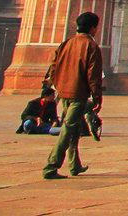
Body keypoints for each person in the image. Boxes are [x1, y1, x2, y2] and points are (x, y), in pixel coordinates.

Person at [42, 10, 103, 180]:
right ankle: (51, 167)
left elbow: (53, 68)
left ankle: (74, 165)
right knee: (68, 129)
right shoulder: (91, 46)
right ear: (93, 28)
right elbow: (93, 75)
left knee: (74, 128)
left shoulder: (66, 43)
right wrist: (97, 97)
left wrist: (59, 86)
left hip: (64, 92)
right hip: (78, 94)